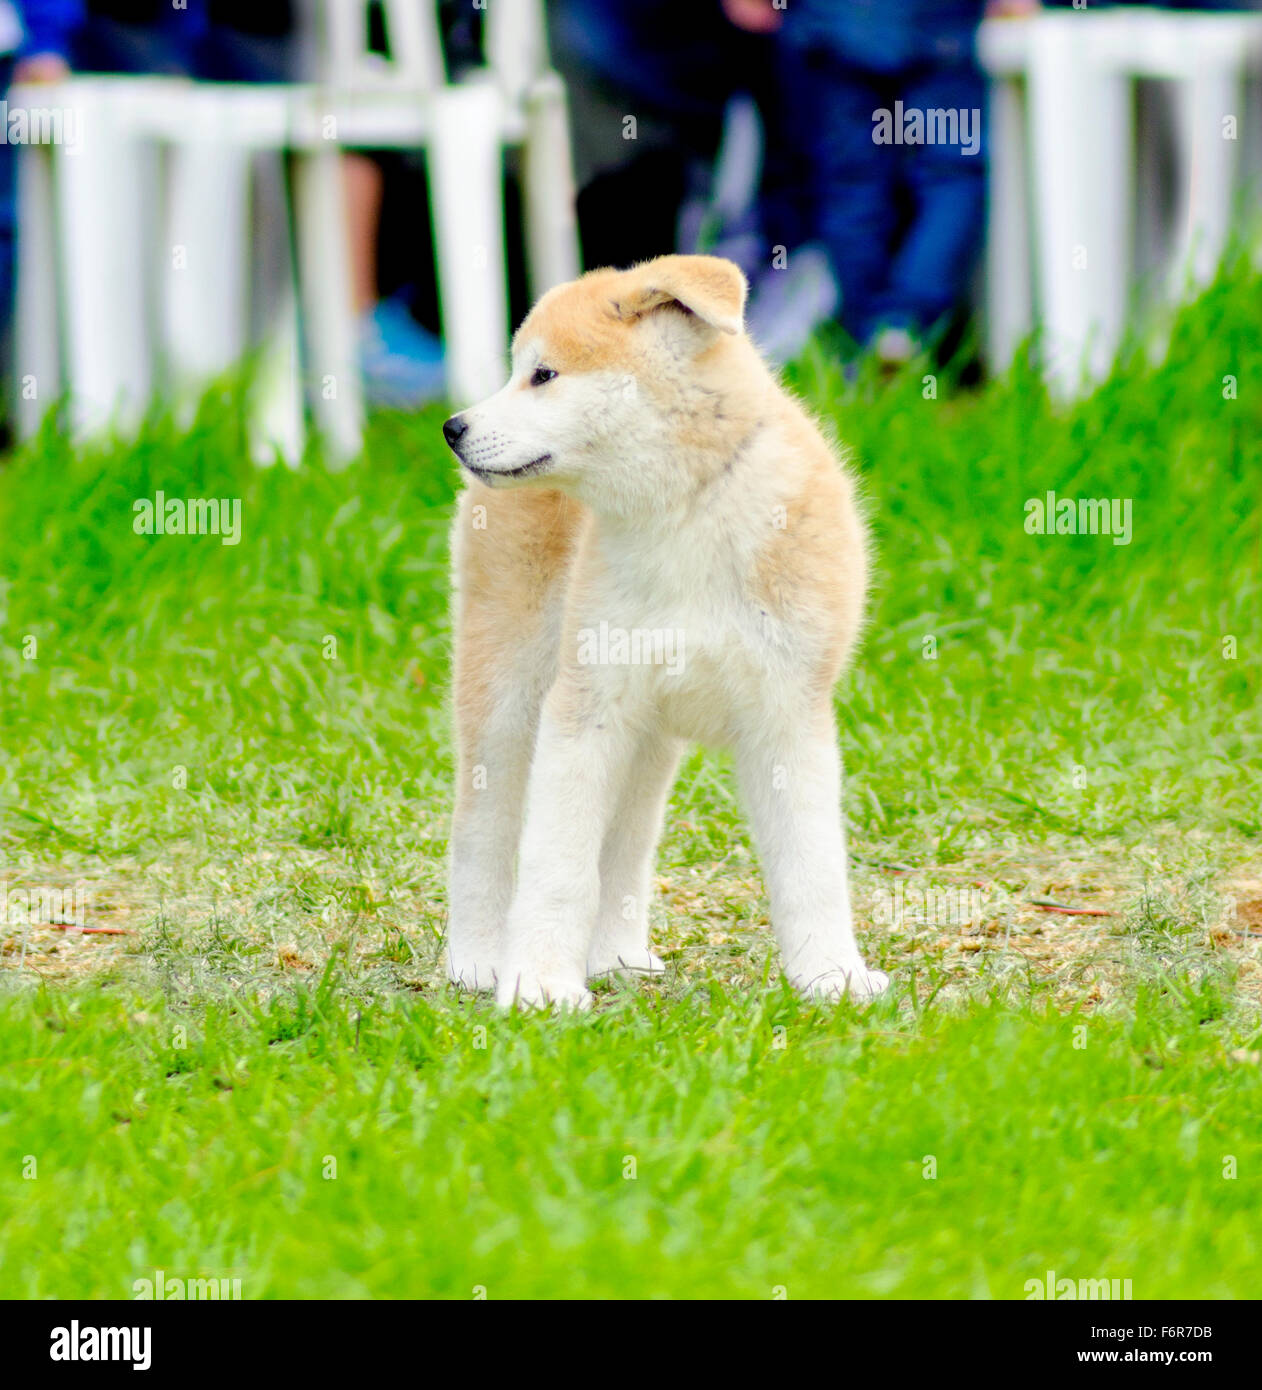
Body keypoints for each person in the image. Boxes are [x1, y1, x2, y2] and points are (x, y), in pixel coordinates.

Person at [728, 0, 990, 365]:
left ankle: (866, 341)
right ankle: (904, 323)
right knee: (951, 174)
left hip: (837, 24)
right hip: (936, 23)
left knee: (852, 186)